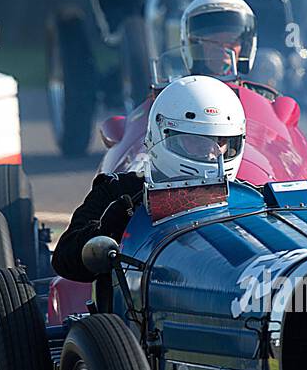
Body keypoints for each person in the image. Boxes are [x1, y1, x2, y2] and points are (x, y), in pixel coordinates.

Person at [52, 75, 247, 282]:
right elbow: (64, 261)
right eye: (197, 141)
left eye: (221, 142)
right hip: (134, 308)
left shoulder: (244, 197)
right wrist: (108, 230)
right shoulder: (120, 192)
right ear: (162, 136)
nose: (211, 153)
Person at [180, 0, 257, 79]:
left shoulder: (255, 92)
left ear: (244, 46)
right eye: (213, 40)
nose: (223, 47)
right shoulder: (178, 90)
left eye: (231, 40)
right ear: (195, 45)